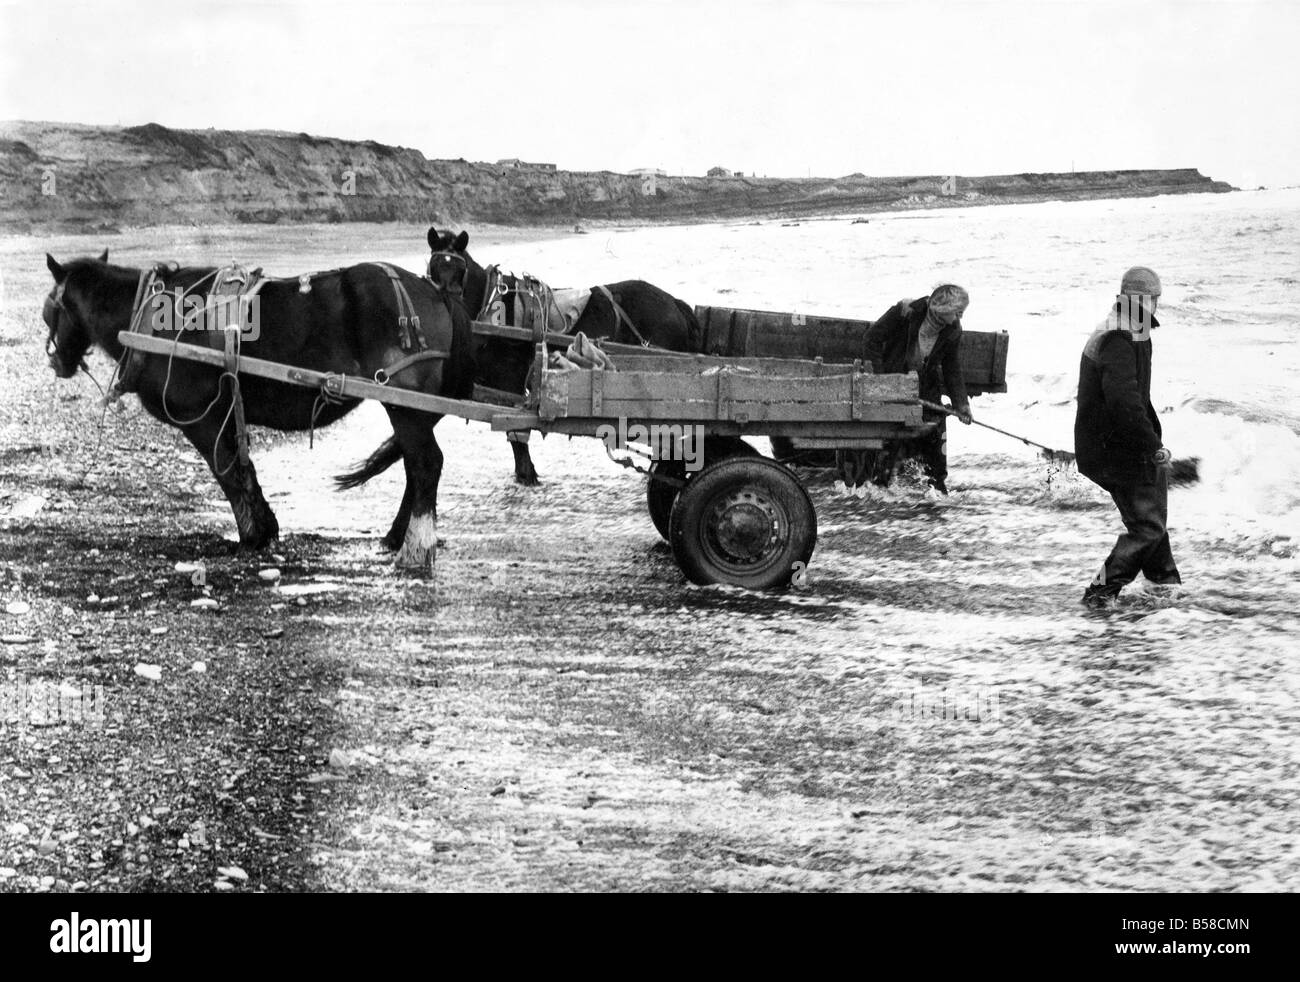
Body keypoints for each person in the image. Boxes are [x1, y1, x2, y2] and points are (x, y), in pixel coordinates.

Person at [1074, 266, 1181, 606]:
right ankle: (1100, 592)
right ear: (1148, 299)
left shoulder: (1130, 328)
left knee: (1150, 518)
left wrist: (1152, 441)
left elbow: (1132, 397)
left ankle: (1163, 585)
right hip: (1114, 448)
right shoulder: (1119, 335)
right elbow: (1123, 401)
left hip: (1115, 443)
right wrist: (1151, 445)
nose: (1156, 306)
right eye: (1155, 299)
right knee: (1147, 527)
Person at [860, 284, 973, 494]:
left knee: (936, 429)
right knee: (891, 439)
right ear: (942, 309)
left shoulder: (952, 330)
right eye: (958, 312)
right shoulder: (906, 311)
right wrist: (881, 380)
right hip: (894, 383)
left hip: (924, 387)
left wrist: (961, 404)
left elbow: (952, 368)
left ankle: (937, 489)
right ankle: (878, 489)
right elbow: (872, 339)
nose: (959, 318)